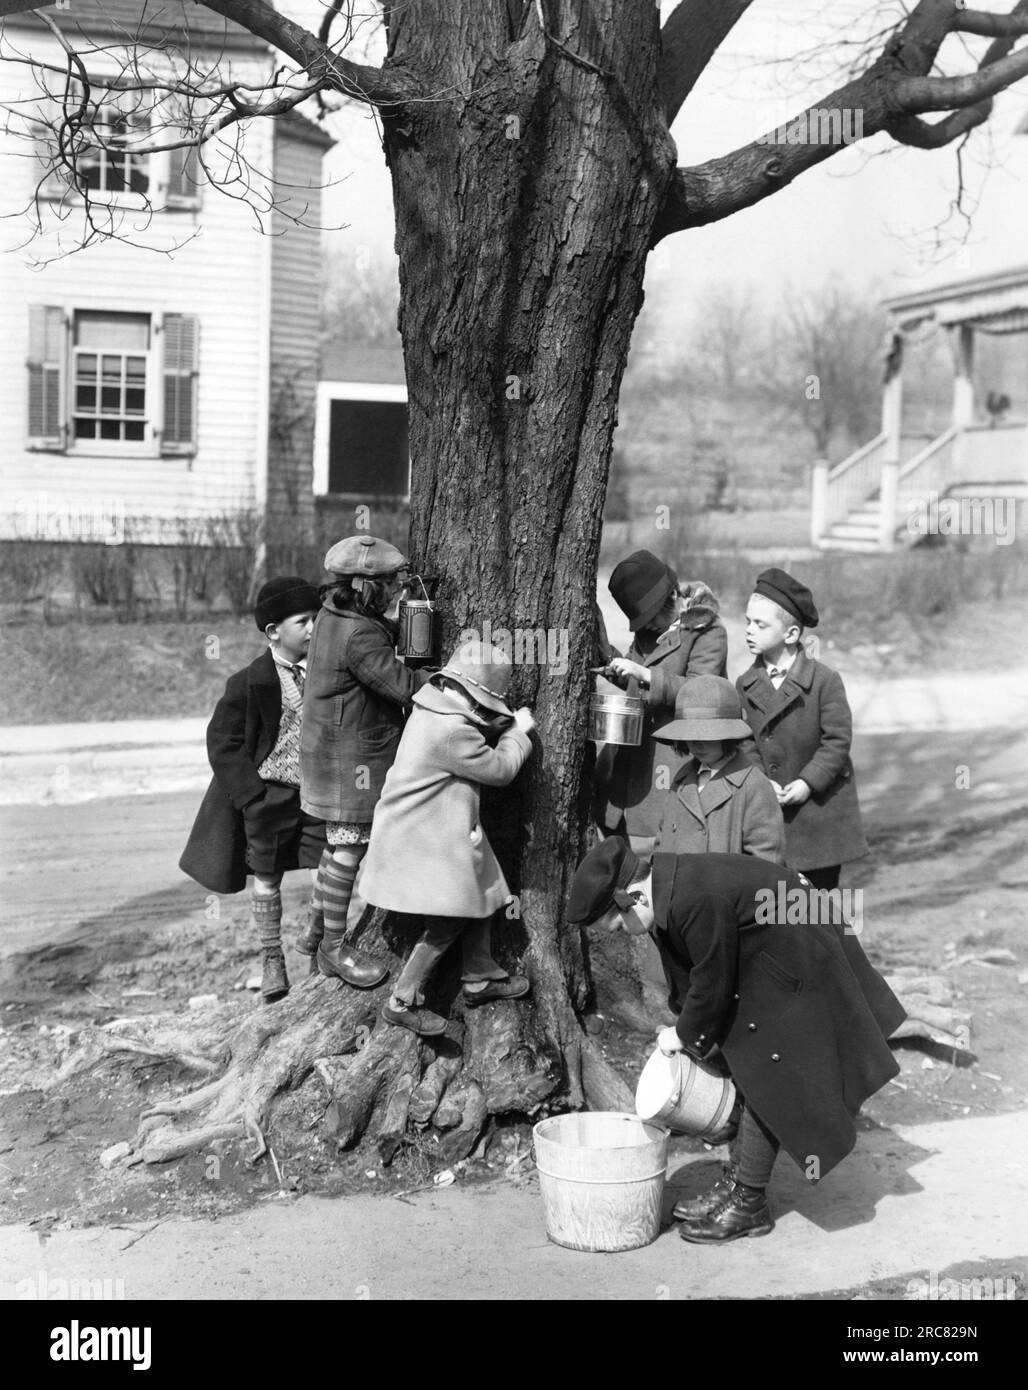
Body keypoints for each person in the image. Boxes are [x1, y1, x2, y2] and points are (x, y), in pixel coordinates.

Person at [566, 838, 905, 1243]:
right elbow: (702, 974)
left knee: (766, 1072)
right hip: (775, 950)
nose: (624, 933)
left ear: (633, 897)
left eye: (618, 924)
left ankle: (749, 1203)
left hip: (805, 956)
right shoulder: (668, 889)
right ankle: (739, 1182)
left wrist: (683, 1034)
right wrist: (694, 1031)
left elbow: (713, 983)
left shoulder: (694, 898)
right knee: (747, 1063)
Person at [358, 641, 536, 1036]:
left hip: (423, 835)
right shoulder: (454, 733)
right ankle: (401, 1000)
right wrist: (519, 734)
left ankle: (479, 974)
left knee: (484, 891)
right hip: (422, 845)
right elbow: (501, 769)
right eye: (483, 706)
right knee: (447, 922)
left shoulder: (430, 710)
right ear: (469, 698)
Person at [179, 577, 326, 1004]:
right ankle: (272, 958)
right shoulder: (247, 682)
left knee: (331, 866)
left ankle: (319, 945)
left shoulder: (325, 674)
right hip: (269, 798)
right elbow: (222, 743)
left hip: (316, 794)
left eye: (317, 618)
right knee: (267, 877)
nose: (314, 627)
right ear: (274, 632)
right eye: (304, 621)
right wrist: (251, 798)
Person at [299, 535, 432, 988]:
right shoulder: (358, 634)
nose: (396, 592)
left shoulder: (335, 614)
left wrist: (406, 623)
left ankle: (316, 933)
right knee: (349, 848)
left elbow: (376, 641)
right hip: (347, 760)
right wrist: (448, 679)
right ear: (365, 586)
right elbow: (403, 686)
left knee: (336, 844)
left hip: (329, 753)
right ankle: (334, 948)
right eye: (390, 586)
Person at [737, 567, 868, 891]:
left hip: (817, 820)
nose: (750, 631)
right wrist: (760, 779)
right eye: (748, 622)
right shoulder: (745, 684)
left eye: (760, 624)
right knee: (772, 908)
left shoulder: (824, 681)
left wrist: (808, 783)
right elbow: (744, 741)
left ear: (792, 634)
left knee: (815, 913)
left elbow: (837, 740)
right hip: (767, 817)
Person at [594, 551, 727, 852]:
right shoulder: (646, 632)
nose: (648, 627)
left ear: (670, 599)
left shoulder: (706, 631)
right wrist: (612, 662)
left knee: (665, 843)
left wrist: (646, 675)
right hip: (634, 754)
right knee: (617, 833)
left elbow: (701, 691)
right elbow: (632, 671)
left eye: (651, 618)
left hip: (673, 755)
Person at [651, 675, 784, 863]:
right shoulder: (683, 778)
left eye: (707, 735)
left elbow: (767, 862)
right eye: (689, 735)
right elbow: (662, 842)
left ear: (728, 736)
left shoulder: (753, 785)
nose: (697, 744)